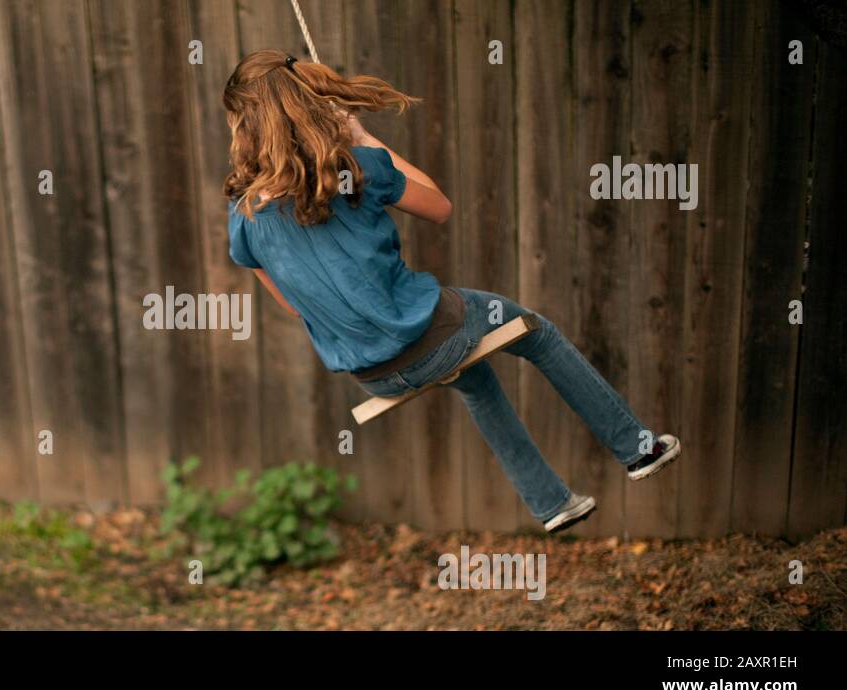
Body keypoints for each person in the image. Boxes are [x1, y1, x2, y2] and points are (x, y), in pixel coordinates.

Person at [222, 50, 680, 533]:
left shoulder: (243, 217)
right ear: (303, 103)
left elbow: (293, 306)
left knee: (474, 377)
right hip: (432, 330)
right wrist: (361, 137)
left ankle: (552, 503)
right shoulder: (354, 168)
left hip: (371, 373)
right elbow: (439, 206)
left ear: (247, 126)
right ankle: (637, 448)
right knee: (537, 334)